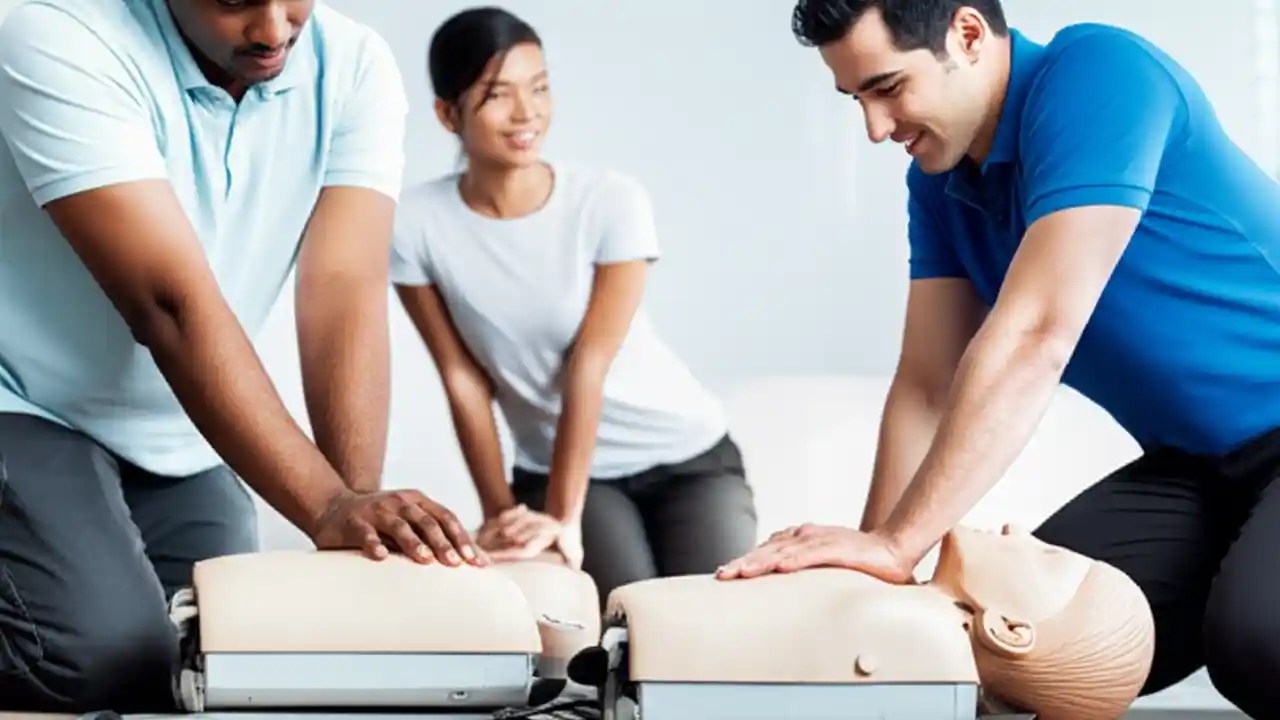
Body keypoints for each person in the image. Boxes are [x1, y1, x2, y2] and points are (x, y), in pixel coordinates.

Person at [717, 1, 1280, 716]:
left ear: (968, 34)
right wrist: (872, 573)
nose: (876, 127)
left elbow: (1038, 332)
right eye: (857, 98)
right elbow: (927, 386)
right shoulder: (939, 183)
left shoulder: (1100, 74)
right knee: (1009, 646)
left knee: (1259, 642)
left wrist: (898, 543)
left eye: (889, 88)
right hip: (1197, 467)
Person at [0, 0, 483, 712]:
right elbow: (168, 306)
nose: (273, 30)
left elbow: (343, 289)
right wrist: (325, 505)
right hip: (24, 400)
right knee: (106, 658)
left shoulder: (354, 64)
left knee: (223, 657)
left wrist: (355, 521)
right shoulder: (53, 35)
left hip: (178, 428)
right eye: (234, 0)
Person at [391, 7, 758, 608]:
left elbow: (588, 362)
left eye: (539, 88)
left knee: (711, 616)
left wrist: (563, 517)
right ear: (447, 113)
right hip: (556, 467)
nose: (527, 112)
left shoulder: (610, 201)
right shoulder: (415, 223)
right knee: (625, 614)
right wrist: (502, 513)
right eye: (497, 94)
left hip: (689, 456)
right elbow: (462, 379)